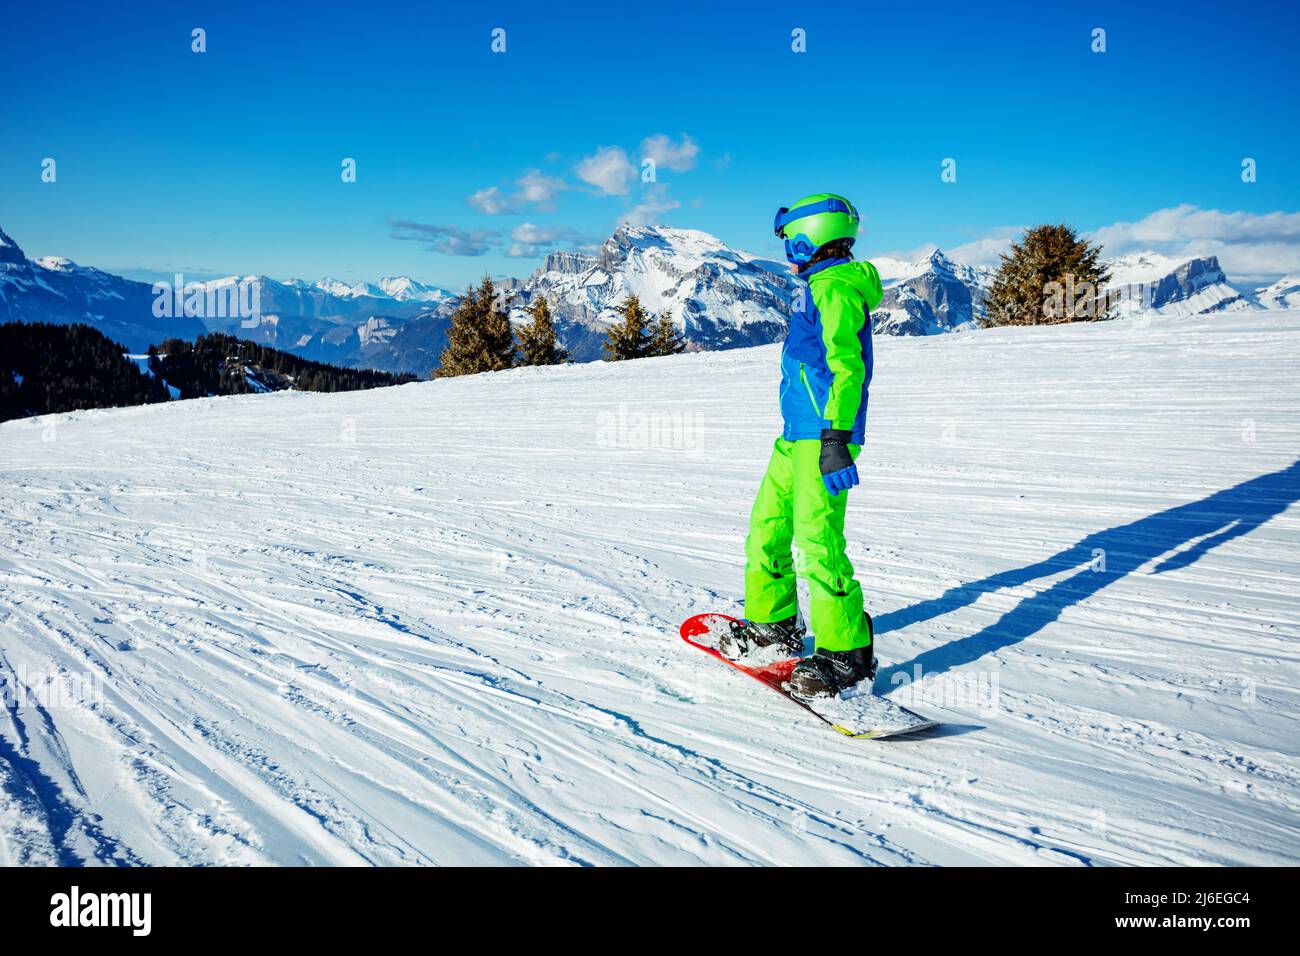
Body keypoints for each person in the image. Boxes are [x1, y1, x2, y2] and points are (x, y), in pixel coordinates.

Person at [718, 193, 884, 700]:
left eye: (791, 241)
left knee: (819, 543)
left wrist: (835, 438)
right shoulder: (815, 286)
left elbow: (848, 368)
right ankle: (774, 624)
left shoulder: (835, 289)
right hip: (794, 434)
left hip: (822, 436)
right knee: (766, 528)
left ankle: (847, 653)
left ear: (813, 238)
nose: (788, 251)